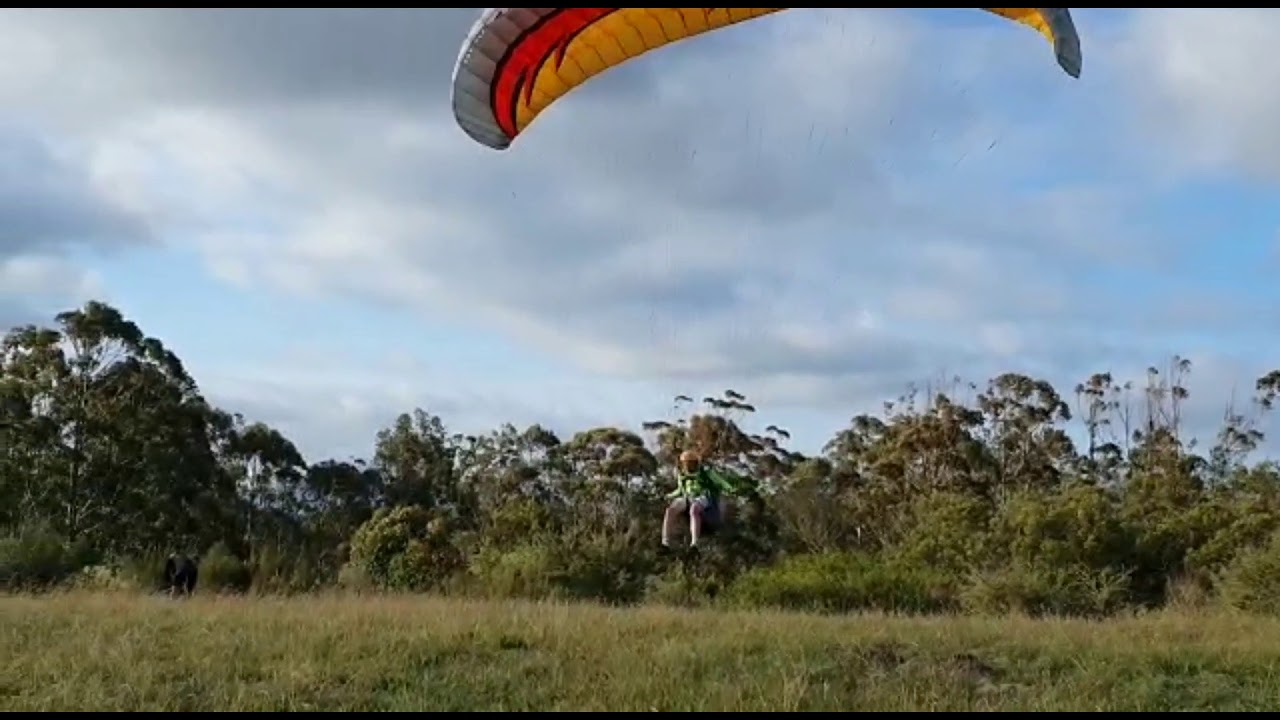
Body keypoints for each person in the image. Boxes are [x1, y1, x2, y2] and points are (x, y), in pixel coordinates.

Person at [661, 449, 757, 549]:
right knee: (670, 510)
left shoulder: (706, 472)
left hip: (703, 496)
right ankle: (665, 541)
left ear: (695, 463)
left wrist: (732, 489)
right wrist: (669, 495)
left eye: (690, 463)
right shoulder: (682, 476)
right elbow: (680, 490)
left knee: (694, 510)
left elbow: (722, 482)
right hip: (687, 497)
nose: (688, 466)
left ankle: (694, 542)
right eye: (685, 463)